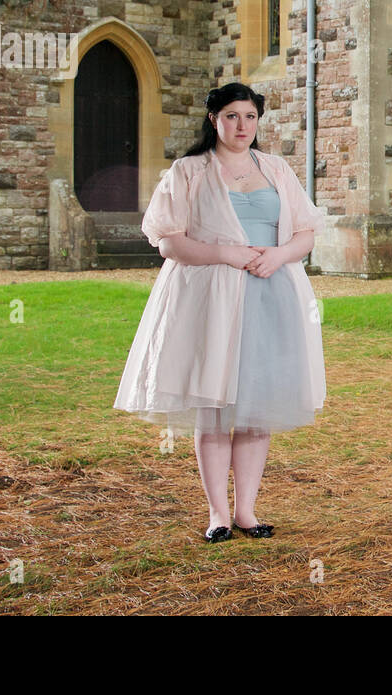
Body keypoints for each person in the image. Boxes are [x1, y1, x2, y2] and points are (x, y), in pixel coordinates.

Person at [114, 83, 328, 543]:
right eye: (232, 116)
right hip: (210, 297)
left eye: (250, 117)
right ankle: (217, 514)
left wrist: (279, 255)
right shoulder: (188, 171)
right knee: (213, 406)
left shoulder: (274, 169)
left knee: (256, 407)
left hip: (271, 293)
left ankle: (248, 511)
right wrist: (227, 254)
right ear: (214, 120)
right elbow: (169, 240)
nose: (242, 126)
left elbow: (307, 232)